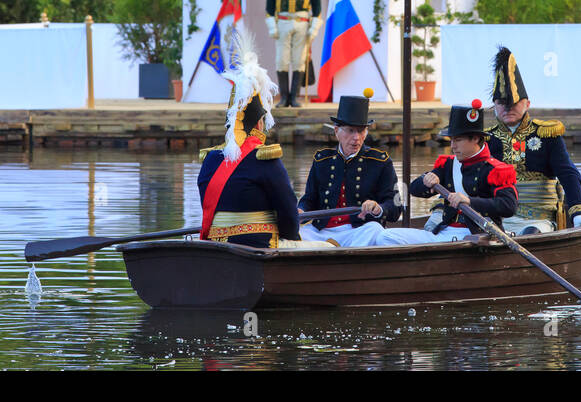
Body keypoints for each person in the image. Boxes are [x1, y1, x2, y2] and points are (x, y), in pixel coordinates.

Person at [197, 25, 331, 250]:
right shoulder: (264, 159)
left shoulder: (210, 159)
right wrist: (293, 238)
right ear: (260, 122)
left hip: (216, 247)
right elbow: (289, 218)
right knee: (330, 248)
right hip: (260, 245)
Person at [486, 46, 581, 234]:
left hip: (537, 218)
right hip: (496, 216)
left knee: (532, 233)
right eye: (501, 104)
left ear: (527, 104)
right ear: (494, 106)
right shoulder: (486, 140)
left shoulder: (546, 135)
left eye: (514, 103)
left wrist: (579, 210)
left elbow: (567, 174)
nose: (507, 108)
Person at [380, 100, 518, 245]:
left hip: (477, 235)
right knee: (386, 236)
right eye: (451, 140)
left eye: (458, 140)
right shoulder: (449, 165)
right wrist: (426, 180)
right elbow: (414, 189)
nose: (452, 146)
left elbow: (508, 206)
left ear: (476, 138)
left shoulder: (496, 170)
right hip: (444, 231)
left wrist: (470, 201)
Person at [298, 88, 401, 247]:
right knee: (296, 234)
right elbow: (309, 200)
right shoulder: (321, 160)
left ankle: (329, 251)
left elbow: (395, 206)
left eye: (361, 131)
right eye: (351, 131)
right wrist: (301, 211)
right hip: (321, 231)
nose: (356, 138)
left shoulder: (381, 162)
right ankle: (329, 249)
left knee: (375, 230)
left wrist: (377, 208)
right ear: (337, 131)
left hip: (359, 231)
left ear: (366, 132)